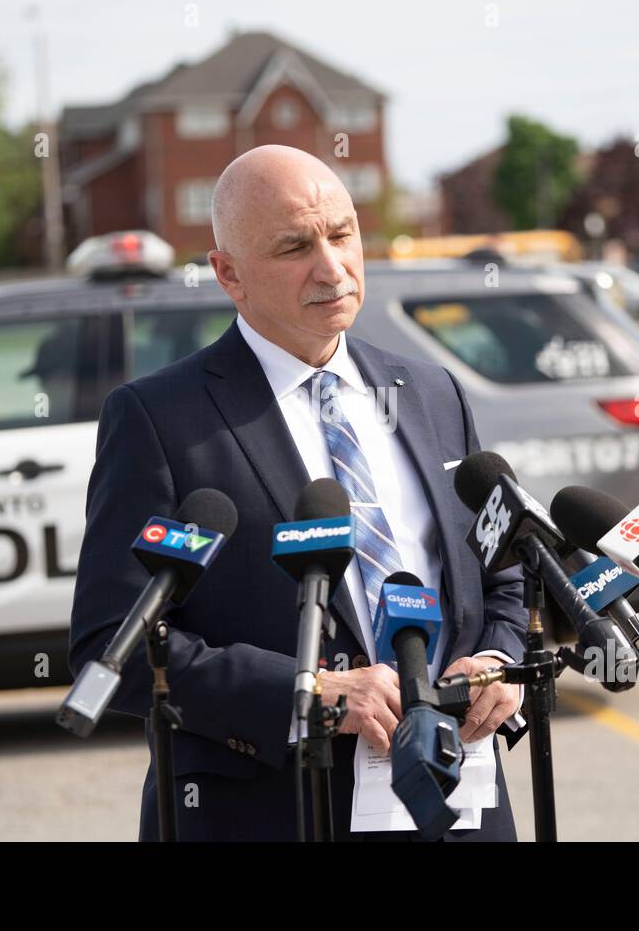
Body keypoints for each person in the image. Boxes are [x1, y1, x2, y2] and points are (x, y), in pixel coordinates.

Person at [68, 145, 528, 841]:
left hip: (453, 799)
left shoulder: (432, 392)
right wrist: (311, 694)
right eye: (294, 246)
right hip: (264, 812)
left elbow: (503, 576)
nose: (332, 266)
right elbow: (118, 645)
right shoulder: (160, 419)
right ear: (230, 274)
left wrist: (497, 660)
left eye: (342, 234)